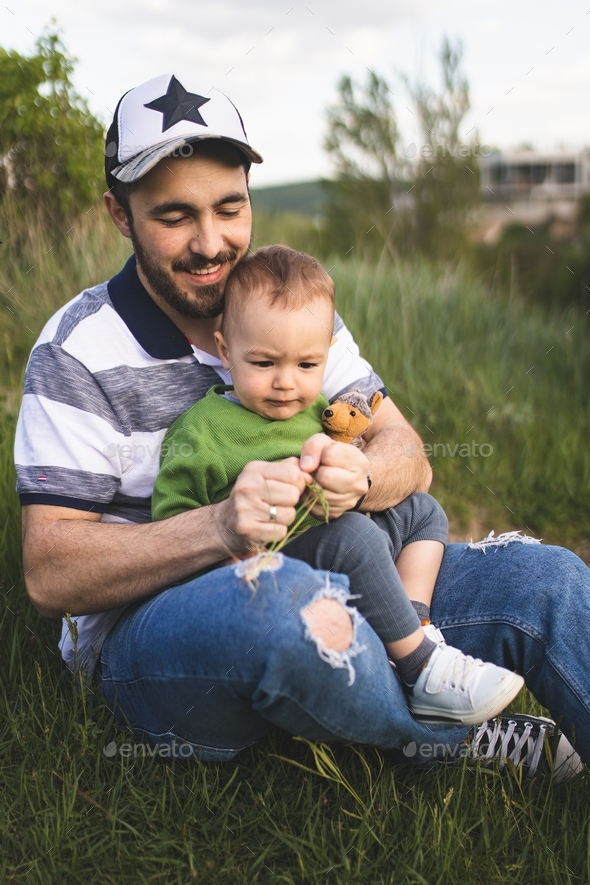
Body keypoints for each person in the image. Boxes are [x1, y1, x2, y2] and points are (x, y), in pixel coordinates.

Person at [14, 73, 588, 778]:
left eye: (231, 208)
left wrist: (365, 474)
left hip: (340, 566)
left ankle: (413, 675)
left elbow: (408, 451)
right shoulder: (77, 351)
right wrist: (220, 526)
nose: (210, 242)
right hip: (158, 635)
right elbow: (49, 573)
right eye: (174, 216)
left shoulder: (287, 306)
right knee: (284, 607)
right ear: (119, 214)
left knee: (548, 578)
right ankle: (453, 739)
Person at [151, 243, 524, 725]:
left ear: (326, 355)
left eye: (306, 365)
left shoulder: (320, 408)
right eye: (264, 364)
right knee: (354, 537)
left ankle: (415, 622)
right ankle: (421, 668)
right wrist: (229, 544)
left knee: (423, 511)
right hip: (279, 560)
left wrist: (351, 469)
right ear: (226, 350)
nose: (287, 382)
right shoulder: (202, 430)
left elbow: (396, 452)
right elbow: (173, 518)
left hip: (344, 533)